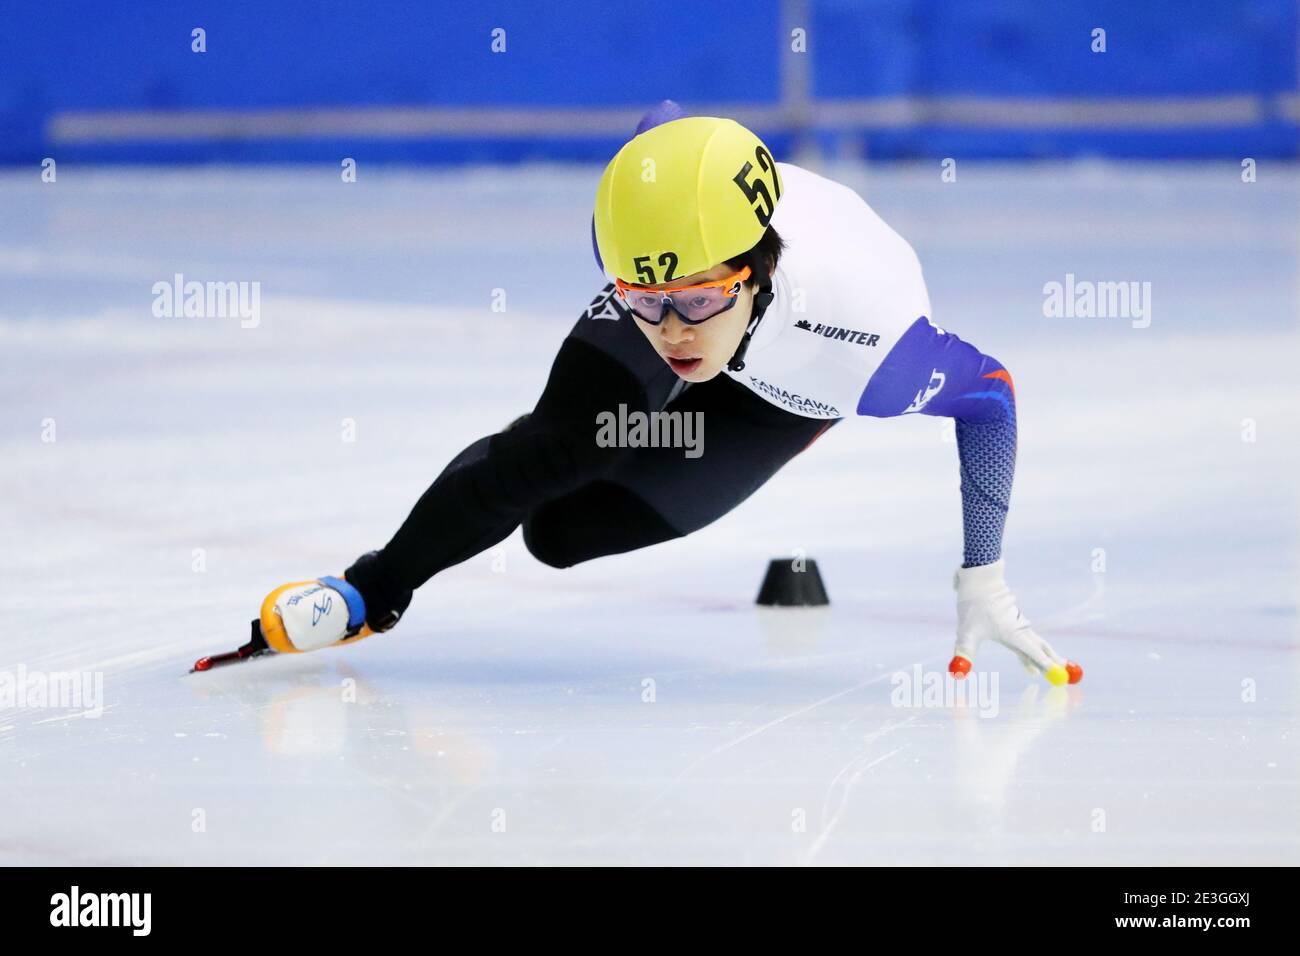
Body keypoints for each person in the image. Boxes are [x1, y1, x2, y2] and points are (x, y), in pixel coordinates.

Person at [241, 102, 1082, 686]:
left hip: (789, 389)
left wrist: (985, 578)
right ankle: (370, 591)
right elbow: (667, 132)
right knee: (563, 449)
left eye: (698, 302)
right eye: (645, 302)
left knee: (563, 534)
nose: (673, 330)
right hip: (709, 302)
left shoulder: (873, 347)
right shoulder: (650, 228)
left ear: (754, 273)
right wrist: (653, 310)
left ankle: (572, 443)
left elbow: (992, 396)